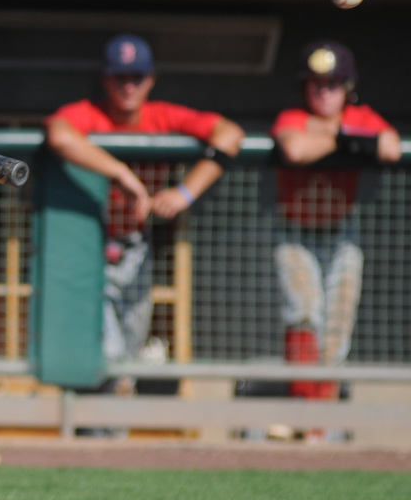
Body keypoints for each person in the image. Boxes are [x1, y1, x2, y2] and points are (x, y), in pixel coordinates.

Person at [44, 33, 245, 424]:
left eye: (136, 77)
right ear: (106, 80)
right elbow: (59, 134)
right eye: (119, 77)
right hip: (88, 245)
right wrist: (121, 173)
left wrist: (185, 192)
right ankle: (95, 436)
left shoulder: (162, 116)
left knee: (131, 352)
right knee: (107, 352)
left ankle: (110, 438)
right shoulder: (90, 113)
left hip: (136, 245)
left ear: (150, 80)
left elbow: (231, 134)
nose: (128, 86)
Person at [270, 40, 400, 440]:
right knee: (304, 313)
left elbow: (391, 147)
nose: (324, 92)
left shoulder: (361, 115)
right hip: (295, 231)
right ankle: (302, 410)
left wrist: (333, 137)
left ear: (348, 87)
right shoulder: (293, 117)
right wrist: (348, 140)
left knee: (338, 324)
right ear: (304, 87)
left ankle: (320, 424)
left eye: (333, 84)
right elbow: (295, 148)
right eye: (316, 84)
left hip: (342, 233)